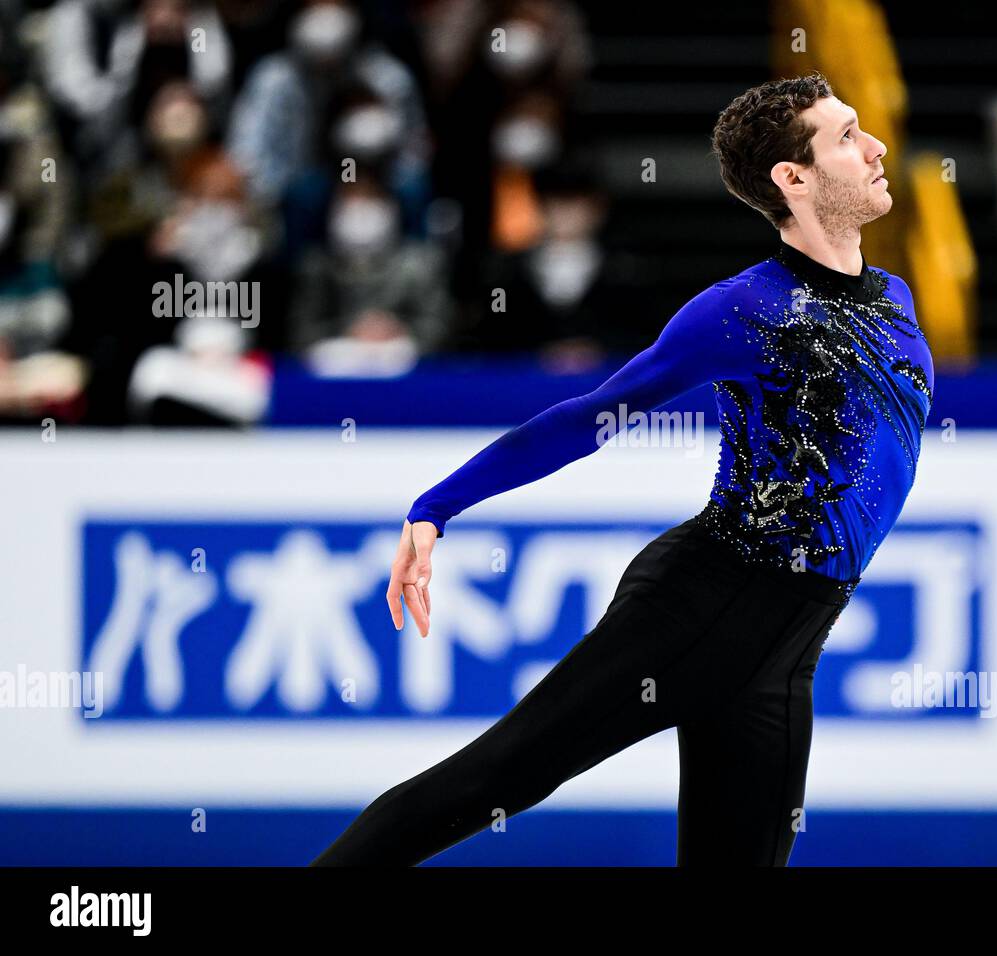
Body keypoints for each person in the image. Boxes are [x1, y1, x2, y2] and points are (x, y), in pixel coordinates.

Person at [310, 71, 933, 867]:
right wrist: (438, 506)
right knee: (497, 777)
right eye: (847, 135)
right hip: (704, 600)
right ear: (794, 178)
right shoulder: (747, 308)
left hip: (785, 646)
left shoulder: (895, 299)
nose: (876, 146)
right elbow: (592, 415)